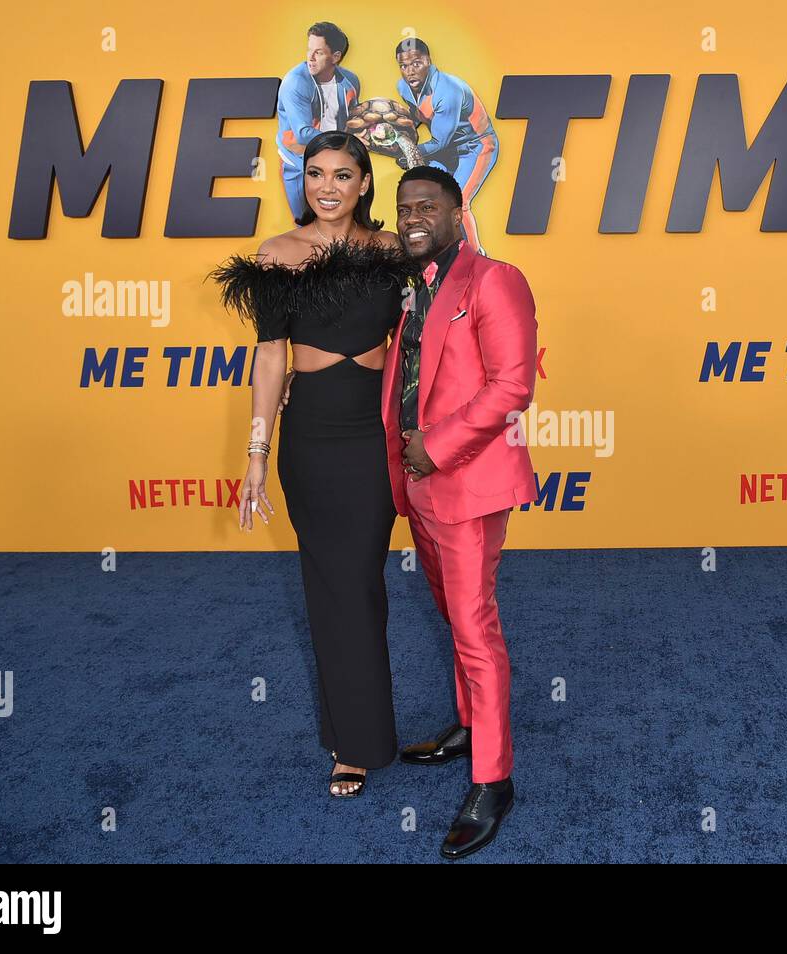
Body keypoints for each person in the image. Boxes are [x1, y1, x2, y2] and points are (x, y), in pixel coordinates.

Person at [209, 130, 419, 798]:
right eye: (315, 174)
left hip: (376, 431)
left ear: (365, 184)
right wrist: (256, 453)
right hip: (315, 437)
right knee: (335, 587)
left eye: (343, 175)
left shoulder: (390, 253)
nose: (327, 187)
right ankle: (353, 743)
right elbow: (271, 355)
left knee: (363, 584)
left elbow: (419, 339)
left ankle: (360, 727)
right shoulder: (279, 253)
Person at [385, 166, 537, 859]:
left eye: (427, 206)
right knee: (452, 615)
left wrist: (435, 448)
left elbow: (513, 383)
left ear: (455, 213)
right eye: (404, 206)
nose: (414, 216)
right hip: (417, 484)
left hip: (467, 481)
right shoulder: (411, 287)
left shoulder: (494, 278)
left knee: (475, 625)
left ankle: (493, 778)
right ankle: (472, 726)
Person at [394, 38, 499, 256]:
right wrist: (394, 136)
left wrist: (409, 150)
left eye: (416, 64)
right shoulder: (403, 87)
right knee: (429, 198)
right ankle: (444, 256)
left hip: (475, 146)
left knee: (459, 201)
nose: (410, 71)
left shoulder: (448, 91)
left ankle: (476, 257)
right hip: (446, 150)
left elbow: (440, 141)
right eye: (403, 66)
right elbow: (417, 117)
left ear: (428, 61)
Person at [276, 22, 363, 222]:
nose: (310, 58)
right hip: (299, 160)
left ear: (336, 57)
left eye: (318, 52)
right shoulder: (295, 82)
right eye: (309, 50)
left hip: (337, 157)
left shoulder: (350, 81)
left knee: (345, 221)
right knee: (304, 222)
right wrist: (346, 139)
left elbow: (354, 116)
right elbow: (303, 134)